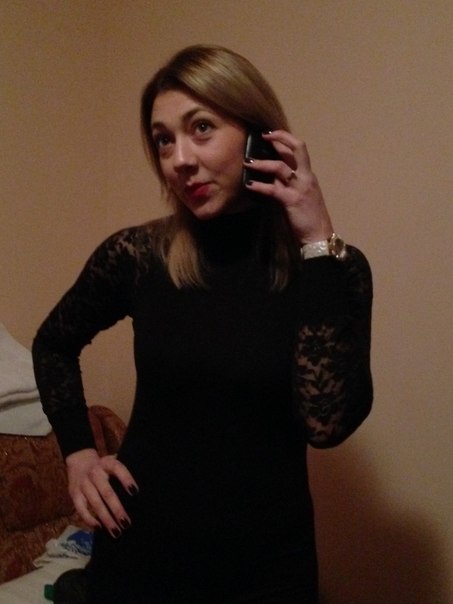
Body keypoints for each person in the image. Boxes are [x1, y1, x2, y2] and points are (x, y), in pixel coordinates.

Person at [32, 44, 373, 603]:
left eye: (202, 128)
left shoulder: (333, 269)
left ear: (259, 136)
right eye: (164, 140)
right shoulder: (138, 255)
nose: (179, 159)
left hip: (266, 567)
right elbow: (52, 344)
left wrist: (317, 240)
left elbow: (327, 423)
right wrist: (79, 455)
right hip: (140, 554)